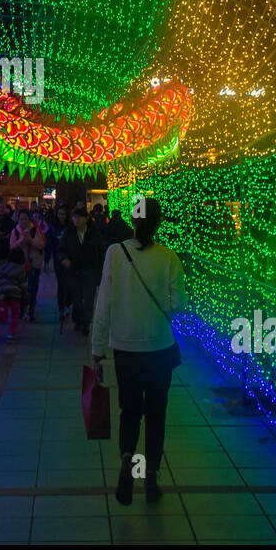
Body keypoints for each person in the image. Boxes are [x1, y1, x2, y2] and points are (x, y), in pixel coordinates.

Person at [92, 197, 184, 504]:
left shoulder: (115, 253)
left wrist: (97, 346)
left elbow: (104, 302)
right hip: (159, 346)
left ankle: (128, 460)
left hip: (125, 348)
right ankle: (152, 477)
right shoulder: (168, 256)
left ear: (133, 221)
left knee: (129, 410)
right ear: (158, 222)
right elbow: (179, 304)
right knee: (156, 414)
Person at [60, 206, 104, 336]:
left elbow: (100, 253)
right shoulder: (69, 233)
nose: (76, 220)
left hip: (89, 270)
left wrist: (99, 271)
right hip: (74, 271)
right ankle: (78, 320)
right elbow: (61, 249)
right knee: (77, 298)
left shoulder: (94, 234)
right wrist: (64, 259)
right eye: (74, 217)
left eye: (79, 217)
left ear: (86, 219)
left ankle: (86, 323)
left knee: (89, 299)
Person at [10, 209, 45, 323]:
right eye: (21, 219)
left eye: (25, 219)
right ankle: (21, 311)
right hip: (19, 265)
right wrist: (21, 240)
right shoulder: (15, 231)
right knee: (19, 289)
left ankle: (31, 311)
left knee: (32, 289)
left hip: (34, 263)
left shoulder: (35, 230)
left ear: (29, 220)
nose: (23, 222)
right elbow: (12, 247)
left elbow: (41, 245)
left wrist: (30, 239)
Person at [0, 247, 26, 340]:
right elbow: (23, 283)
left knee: (3, 309)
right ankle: (11, 333)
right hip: (15, 294)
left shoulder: (3, 266)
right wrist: (25, 293)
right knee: (15, 314)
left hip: (3, 292)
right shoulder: (21, 269)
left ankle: (2, 311)